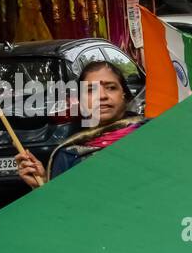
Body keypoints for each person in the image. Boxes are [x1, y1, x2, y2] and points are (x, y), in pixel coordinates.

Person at [16, 60, 145, 187]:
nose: (101, 96)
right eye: (90, 90)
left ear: (124, 94)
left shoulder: (150, 134)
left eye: (111, 88)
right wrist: (44, 184)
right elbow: (62, 204)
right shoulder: (69, 155)